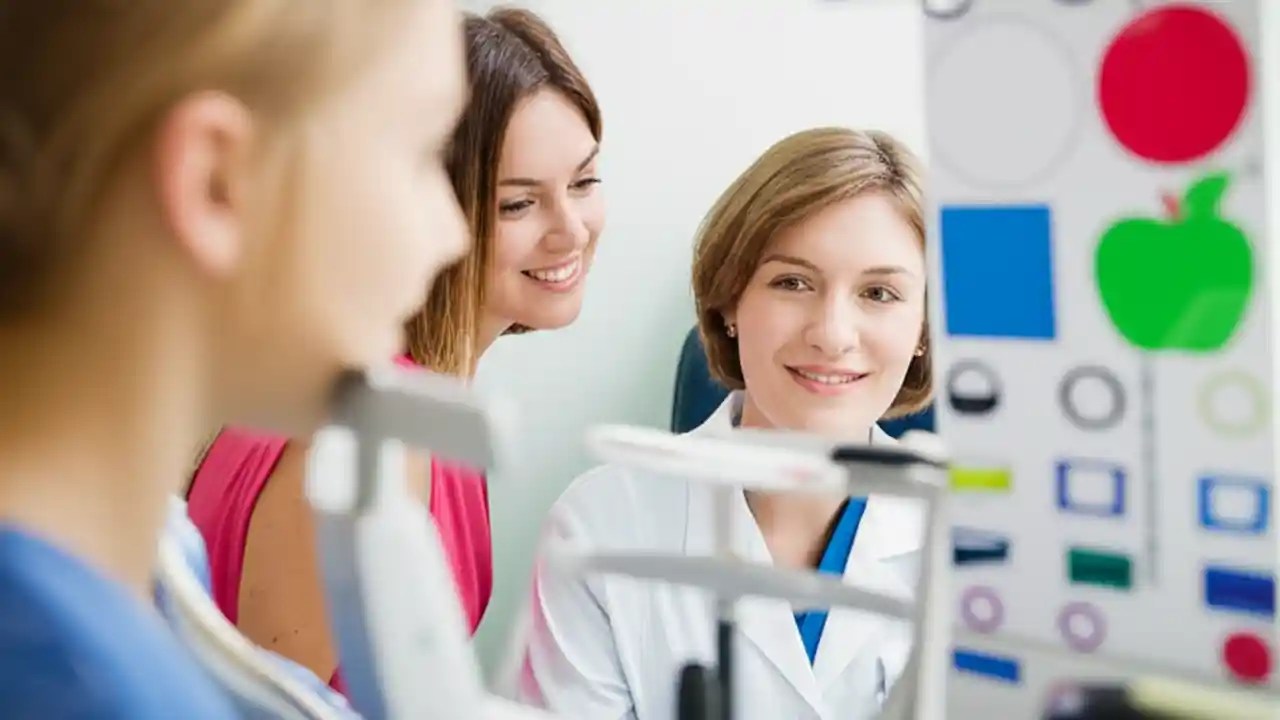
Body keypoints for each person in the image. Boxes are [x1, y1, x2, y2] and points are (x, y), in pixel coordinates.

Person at [0, 0, 469, 716]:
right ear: (217, 180)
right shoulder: (67, 682)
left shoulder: (152, 560)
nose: (451, 234)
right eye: (424, 151)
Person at [185, 6, 605, 692]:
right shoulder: (373, 437)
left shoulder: (424, 409)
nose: (572, 231)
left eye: (584, 183)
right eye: (517, 204)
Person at [518, 127, 932, 720]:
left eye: (880, 293)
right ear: (730, 301)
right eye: (793, 282)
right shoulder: (600, 528)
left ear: (923, 328)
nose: (832, 334)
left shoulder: (973, 549)